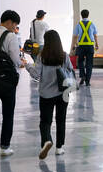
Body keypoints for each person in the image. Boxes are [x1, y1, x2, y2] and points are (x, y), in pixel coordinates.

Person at [0, 10, 28, 160]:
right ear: (9, 22)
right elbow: (15, 59)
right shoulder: (11, 36)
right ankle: (5, 147)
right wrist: (22, 63)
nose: (15, 28)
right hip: (7, 83)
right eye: (14, 25)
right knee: (8, 115)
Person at [26, 29, 75, 158]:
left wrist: (28, 66)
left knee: (45, 120)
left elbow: (36, 74)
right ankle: (59, 147)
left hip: (46, 94)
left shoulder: (42, 56)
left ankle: (47, 140)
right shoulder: (64, 55)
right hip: (63, 93)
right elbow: (70, 71)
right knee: (61, 120)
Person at [73, 9, 98, 87]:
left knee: (80, 61)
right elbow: (95, 35)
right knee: (89, 63)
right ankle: (87, 81)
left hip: (81, 46)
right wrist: (97, 44)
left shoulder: (79, 24)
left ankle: (82, 75)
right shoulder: (92, 24)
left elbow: (75, 36)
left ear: (81, 15)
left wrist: (74, 45)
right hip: (90, 46)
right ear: (88, 15)